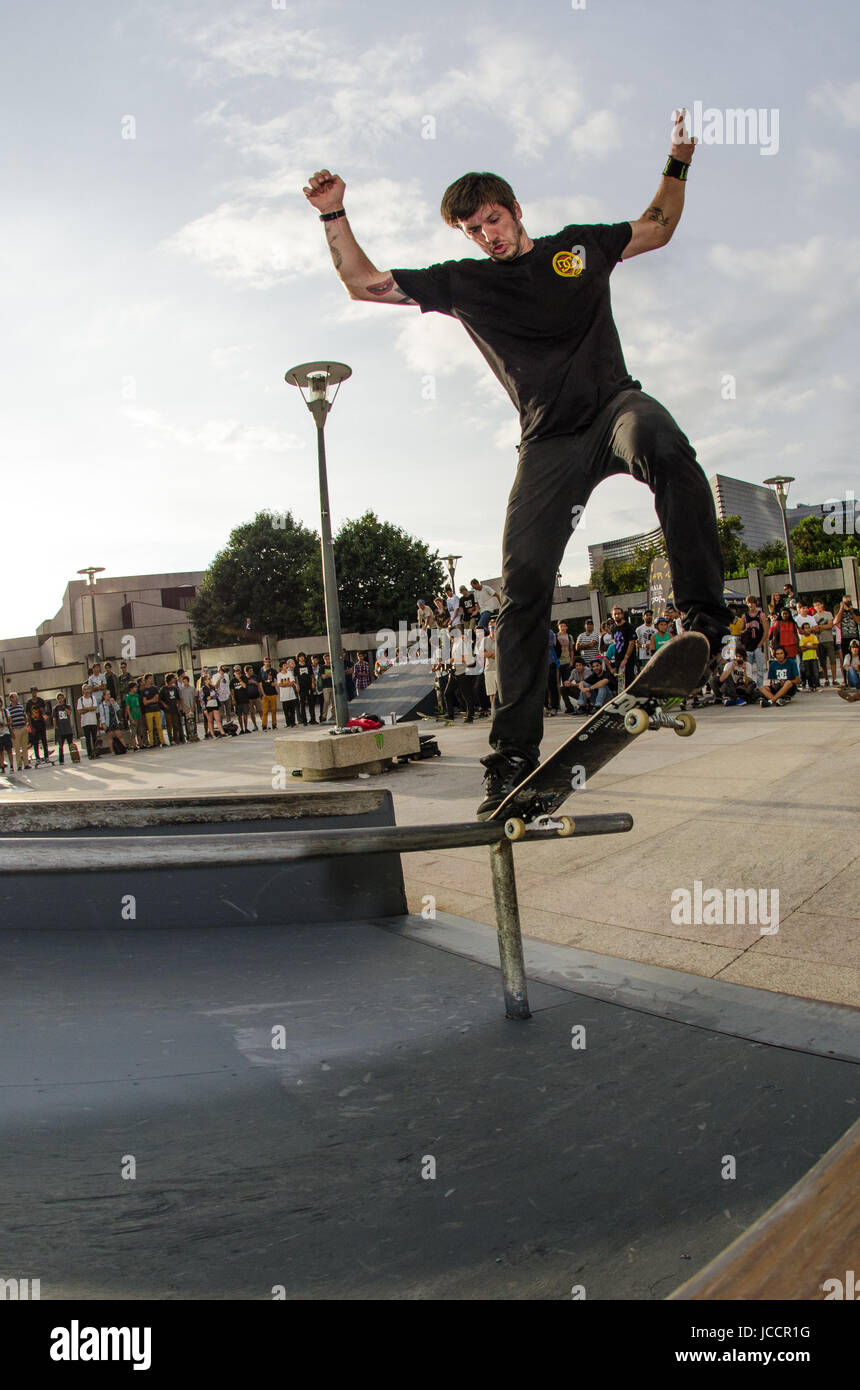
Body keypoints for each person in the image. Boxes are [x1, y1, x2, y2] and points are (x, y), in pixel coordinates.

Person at [305, 124, 732, 812]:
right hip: (549, 444)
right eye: (474, 229)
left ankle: (705, 621)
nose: (488, 236)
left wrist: (676, 160)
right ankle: (511, 756)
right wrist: (333, 213)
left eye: (494, 220)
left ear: (516, 210)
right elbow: (363, 283)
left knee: (666, 445)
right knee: (525, 584)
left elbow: (658, 226)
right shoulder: (465, 283)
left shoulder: (578, 248)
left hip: (615, 406)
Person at [739, 595, 767, 687]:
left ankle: (759, 687)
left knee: (760, 669)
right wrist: (745, 629)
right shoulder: (745, 616)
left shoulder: (761, 615)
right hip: (748, 645)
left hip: (757, 644)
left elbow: (766, 632)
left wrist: (760, 644)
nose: (751, 605)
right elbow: (740, 631)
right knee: (748, 669)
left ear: (756, 604)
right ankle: (750, 686)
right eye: (749, 603)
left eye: (753, 603)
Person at [812, 599, 838, 686]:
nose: (818, 607)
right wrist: (823, 627)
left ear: (822, 605)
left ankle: (834, 679)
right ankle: (826, 679)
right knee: (822, 661)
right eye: (815, 605)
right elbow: (814, 629)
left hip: (829, 639)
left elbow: (830, 625)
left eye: (819, 605)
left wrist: (820, 627)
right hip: (819, 640)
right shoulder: (814, 617)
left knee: (832, 659)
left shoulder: (828, 614)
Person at [25, 687, 51, 765]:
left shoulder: (40, 701)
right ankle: (37, 758)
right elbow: (28, 715)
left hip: (41, 723)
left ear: (37, 692)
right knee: (35, 742)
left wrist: (42, 710)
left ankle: (46, 756)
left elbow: (45, 712)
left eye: (35, 692)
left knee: (44, 740)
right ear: (31, 693)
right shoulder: (29, 703)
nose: (34, 693)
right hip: (34, 724)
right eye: (33, 692)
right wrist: (30, 726)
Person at [5, 694, 30, 772]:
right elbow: (9, 720)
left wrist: (26, 725)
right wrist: (11, 731)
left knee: (24, 747)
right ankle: (19, 765)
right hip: (15, 730)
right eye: (16, 697)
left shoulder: (20, 707)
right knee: (17, 748)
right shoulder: (8, 709)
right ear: (11, 699)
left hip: (23, 728)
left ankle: (26, 764)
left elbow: (24, 716)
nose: (17, 698)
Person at [140, 674, 166, 748]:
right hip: (148, 710)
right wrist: (152, 700)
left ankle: (162, 741)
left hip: (156, 709)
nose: (151, 680)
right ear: (146, 680)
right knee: (150, 728)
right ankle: (151, 743)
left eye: (151, 678)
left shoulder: (155, 688)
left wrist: (149, 700)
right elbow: (144, 702)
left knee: (159, 727)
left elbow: (156, 699)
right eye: (149, 679)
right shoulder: (143, 690)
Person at [76, 685, 100, 759]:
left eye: (87, 689)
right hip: (85, 722)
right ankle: (89, 753)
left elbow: (94, 708)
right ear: (83, 691)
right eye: (85, 689)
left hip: (93, 721)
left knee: (94, 738)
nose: (86, 691)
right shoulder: (80, 700)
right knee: (88, 739)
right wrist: (90, 708)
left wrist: (85, 708)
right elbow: (80, 711)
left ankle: (96, 752)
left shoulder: (93, 698)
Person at [124, 680, 147, 749]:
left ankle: (141, 744)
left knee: (139, 731)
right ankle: (134, 745)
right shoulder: (128, 697)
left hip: (138, 715)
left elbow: (139, 706)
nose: (136, 689)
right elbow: (128, 708)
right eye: (135, 688)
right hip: (133, 716)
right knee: (133, 732)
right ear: (131, 688)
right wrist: (131, 718)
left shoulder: (137, 696)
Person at [798, 622, 820, 691]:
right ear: (803, 630)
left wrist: (806, 646)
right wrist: (811, 646)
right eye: (806, 628)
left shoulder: (813, 637)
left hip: (813, 657)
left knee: (815, 672)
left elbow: (816, 646)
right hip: (806, 658)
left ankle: (816, 686)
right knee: (808, 673)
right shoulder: (802, 638)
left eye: (808, 627)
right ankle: (810, 686)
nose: (808, 629)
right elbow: (802, 649)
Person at [276, 659, 298, 727]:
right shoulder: (279, 675)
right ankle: (288, 723)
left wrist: (285, 684)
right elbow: (279, 684)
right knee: (286, 710)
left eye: (286, 665)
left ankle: (293, 722)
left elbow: (292, 682)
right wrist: (286, 684)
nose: (286, 666)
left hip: (291, 694)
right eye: (284, 665)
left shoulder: (289, 673)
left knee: (292, 710)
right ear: (281, 667)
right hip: (284, 696)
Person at [179, 675, 199, 740]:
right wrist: (184, 707)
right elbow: (181, 699)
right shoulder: (181, 690)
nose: (185, 683)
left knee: (193, 721)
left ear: (188, 681)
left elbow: (194, 697)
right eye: (183, 682)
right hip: (185, 707)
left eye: (186, 681)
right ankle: (189, 735)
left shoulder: (192, 688)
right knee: (187, 722)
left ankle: (195, 734)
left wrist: (193, 706)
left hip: (191, 706)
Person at [259, 663, 279, 729]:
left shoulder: (273, 671)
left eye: (268, 661)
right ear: (264, 662)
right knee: (265, 711)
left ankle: (274, 724)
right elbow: (260, 684)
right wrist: (263, 694)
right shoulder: (261, 671)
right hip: (265, 694)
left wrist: (276, 683)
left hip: (273, 693)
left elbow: (280, 677)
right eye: (266, 661)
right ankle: (264, 725)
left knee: (274, 710)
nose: (267, 662)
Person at [0, 701, 13, 774]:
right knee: (0, 751)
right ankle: (2, 767)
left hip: (6, 732)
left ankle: (11, 766)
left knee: (9, 750)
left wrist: (5, 724)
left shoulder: (5, 711)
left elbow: (10, 721)